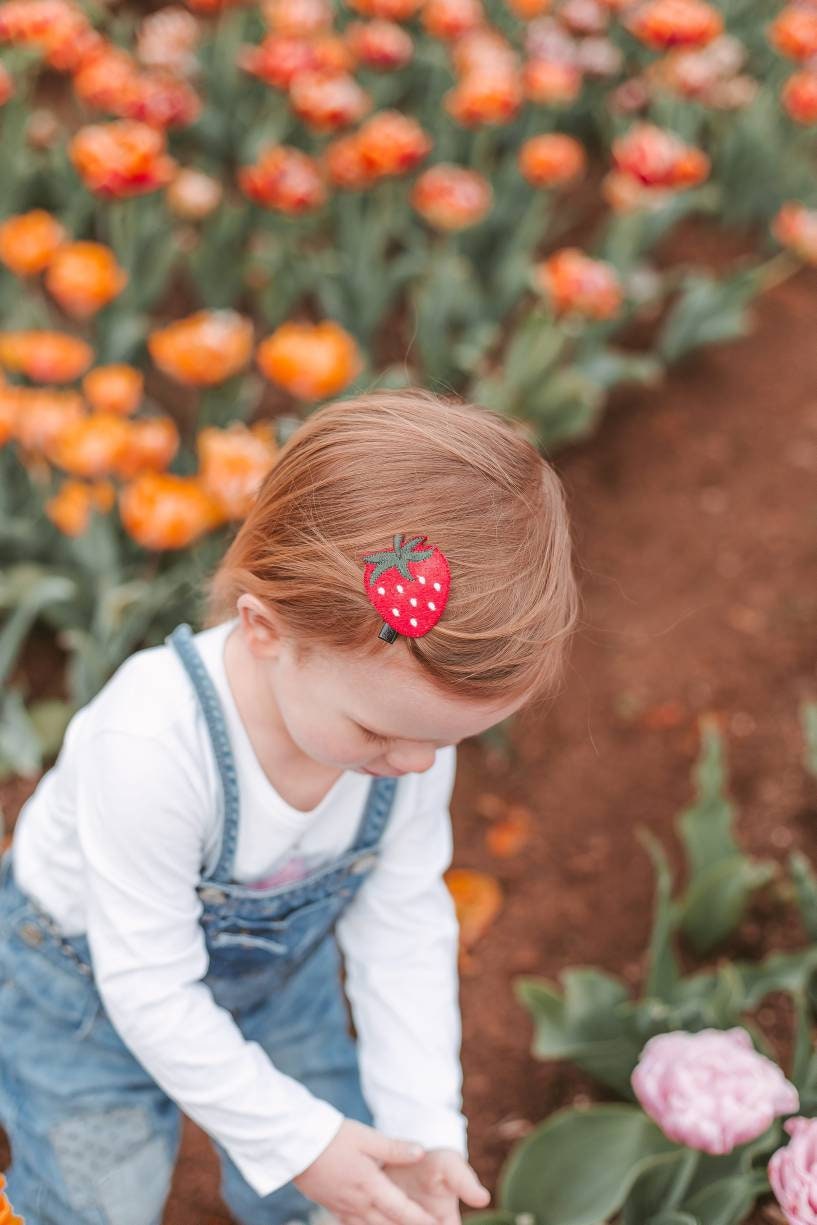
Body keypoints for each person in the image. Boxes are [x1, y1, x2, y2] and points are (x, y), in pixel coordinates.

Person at [0, 387, 579, 1225]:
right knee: (102, 1194)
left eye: (447, 741)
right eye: (380, 731)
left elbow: (403, 926)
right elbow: (150, 989)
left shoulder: (404, 746)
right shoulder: (153, 743)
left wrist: (425, 1126)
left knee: (362, 1170)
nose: (415, 764)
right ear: (264, 628)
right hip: (86, 988)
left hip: (277, 978)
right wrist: (300, 1141)